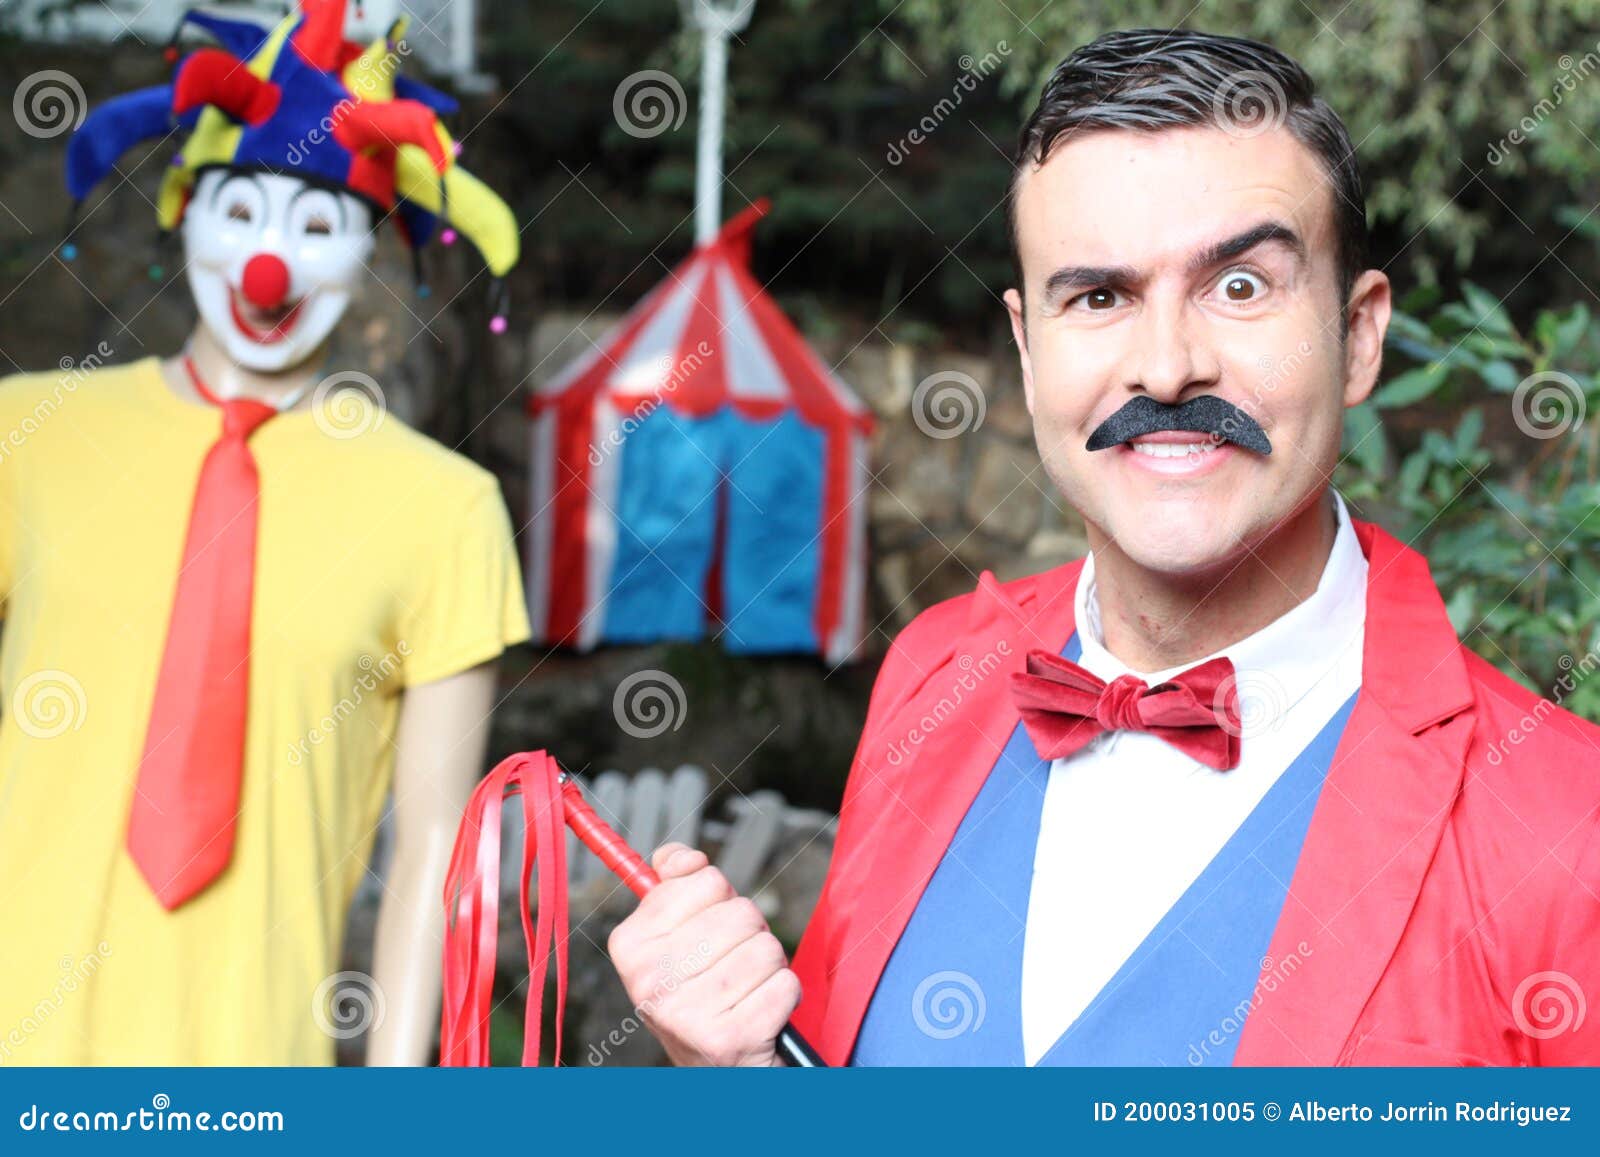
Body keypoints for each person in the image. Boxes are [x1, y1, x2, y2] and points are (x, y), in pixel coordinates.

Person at [605, 27, 1600, 1067]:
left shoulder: (1560, 826)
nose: (1166, 368)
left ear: (1357, 337)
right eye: (1098, 296)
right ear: (1030, 351)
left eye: (1241, 286)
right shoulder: (932, 673)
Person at [0, 0, 527, 1064]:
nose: (269, 263)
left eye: (319, 224)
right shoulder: (26, 434)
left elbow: (431, 850)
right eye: (240, 210)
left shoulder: (446, 507)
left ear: (369, 252)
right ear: (184, 213)